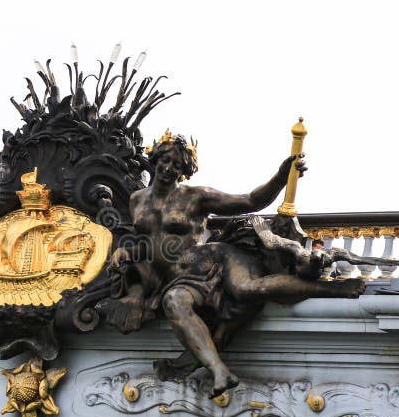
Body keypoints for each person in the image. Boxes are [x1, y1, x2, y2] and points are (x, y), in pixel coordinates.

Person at [114, 131, 365, 397]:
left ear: (184, 170)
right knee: (173, 301)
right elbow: (145, 240)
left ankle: (330, 289)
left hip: (208, 262)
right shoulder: (136, 199)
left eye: (177, 165)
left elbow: (250, 201)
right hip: (173, 279)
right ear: (155, 159)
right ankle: (219, 371)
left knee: (247, 289)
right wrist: (125, 252)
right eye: (166, 160)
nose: (169, 168)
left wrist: (281, 177)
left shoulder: (196, 196)